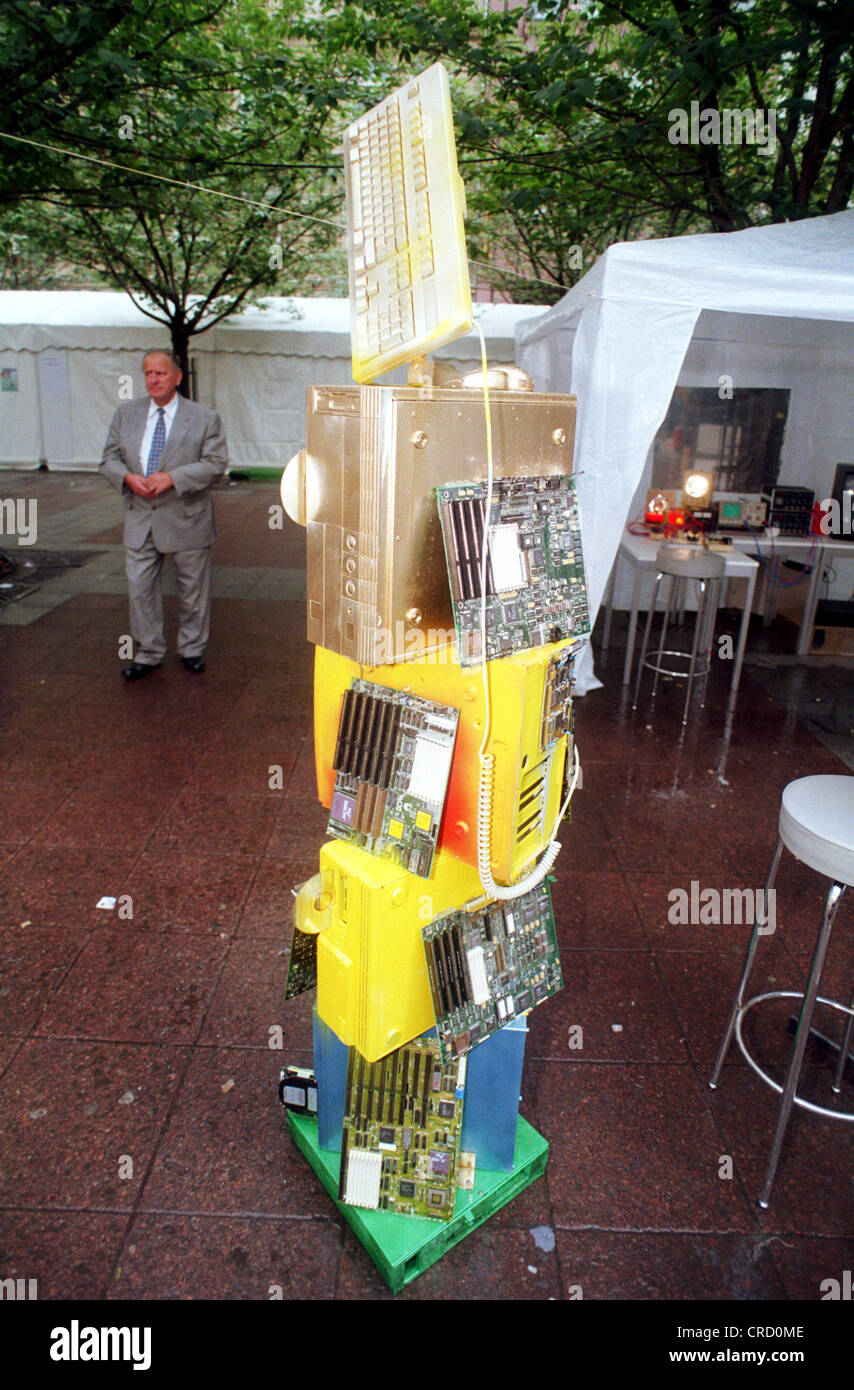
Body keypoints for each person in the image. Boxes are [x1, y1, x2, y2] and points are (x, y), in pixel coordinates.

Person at [100, 349, 229, 680]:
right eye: (147, 373)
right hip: (140, 518)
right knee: (139, 589)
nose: (153, 379)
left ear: (177, 377)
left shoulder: (204, 418)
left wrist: (173, 477)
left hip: (186, 517)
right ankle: (149, 652)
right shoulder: (125, 414)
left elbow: (216, 465)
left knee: (193, 591)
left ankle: (192, 649)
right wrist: (126, 477)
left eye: (159, 373)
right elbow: (109, 459)